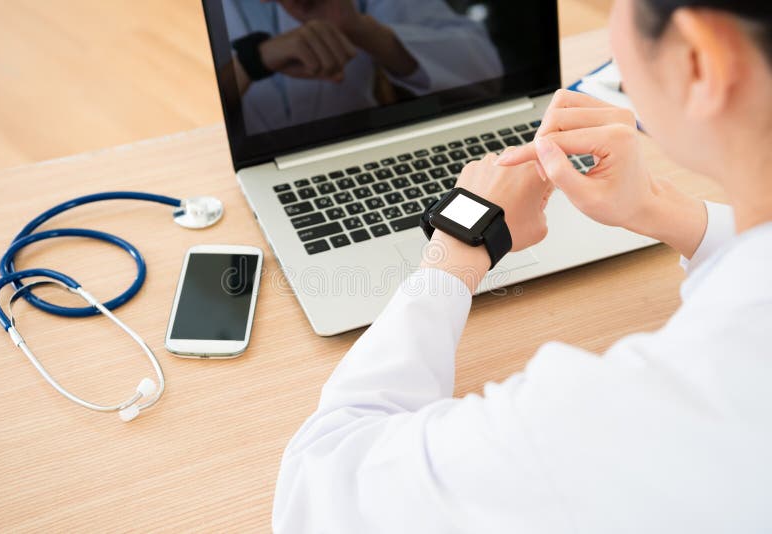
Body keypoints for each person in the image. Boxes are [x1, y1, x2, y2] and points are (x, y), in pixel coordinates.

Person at [273, 0, 772, 532]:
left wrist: (466, 237)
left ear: (699, 61)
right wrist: (657, 206)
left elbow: (321, 484)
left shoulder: (597, 423)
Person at [223, 0, 502, 134]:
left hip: (360, 150)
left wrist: (362, 29)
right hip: (240, 178)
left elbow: (486, 74)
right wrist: (252, 61)